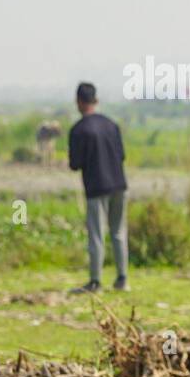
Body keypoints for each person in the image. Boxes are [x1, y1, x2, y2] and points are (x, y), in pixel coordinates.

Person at [68, 82, 128, 293]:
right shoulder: (112, 125)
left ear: (79, 102)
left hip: (96, 188)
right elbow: (122, 155)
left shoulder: (78, 130)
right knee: (119, 231)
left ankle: (95, 282)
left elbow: (74, 164)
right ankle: (122, 279)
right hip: (119, 185)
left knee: (96, 234)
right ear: (96, 100)